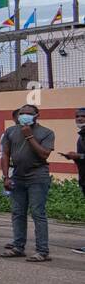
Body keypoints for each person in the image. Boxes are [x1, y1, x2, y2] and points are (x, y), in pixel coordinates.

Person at [0, 103, 55, 262]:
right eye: (21, 113)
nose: (24, 115)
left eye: (28, 113)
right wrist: (6, 176)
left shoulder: (46, 133)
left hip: (38, 176)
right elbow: (5, 154)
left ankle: (42, 251)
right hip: (18, 176)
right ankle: (18, 246)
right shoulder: (10, 131)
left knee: (38, 213)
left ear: (36, 116)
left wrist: (29, 136)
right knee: (18, 212)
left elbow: (44, 154)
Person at [62, 107, 85, 254]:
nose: (80, 118)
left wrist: (79, 156)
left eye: (83, 116)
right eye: (77, 116)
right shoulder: (81, 136)